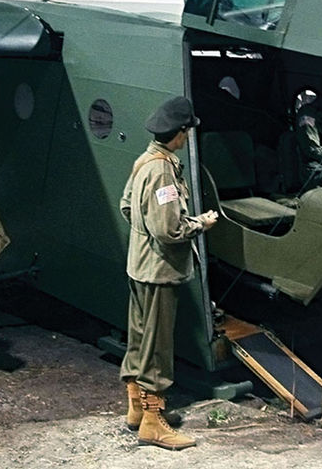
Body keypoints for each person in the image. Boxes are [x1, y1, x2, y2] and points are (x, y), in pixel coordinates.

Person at [119, 95, 218, 450]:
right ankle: (153, 422)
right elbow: (169, 229)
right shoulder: (162, 171)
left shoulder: (144, 161)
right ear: (179, 133)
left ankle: (136, 408)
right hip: (159, 272)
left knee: (139, 340)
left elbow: (127, 206)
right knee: (157, 349)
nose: (188, 137)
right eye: (187, 132)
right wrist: (200, 223)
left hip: (139, 266)